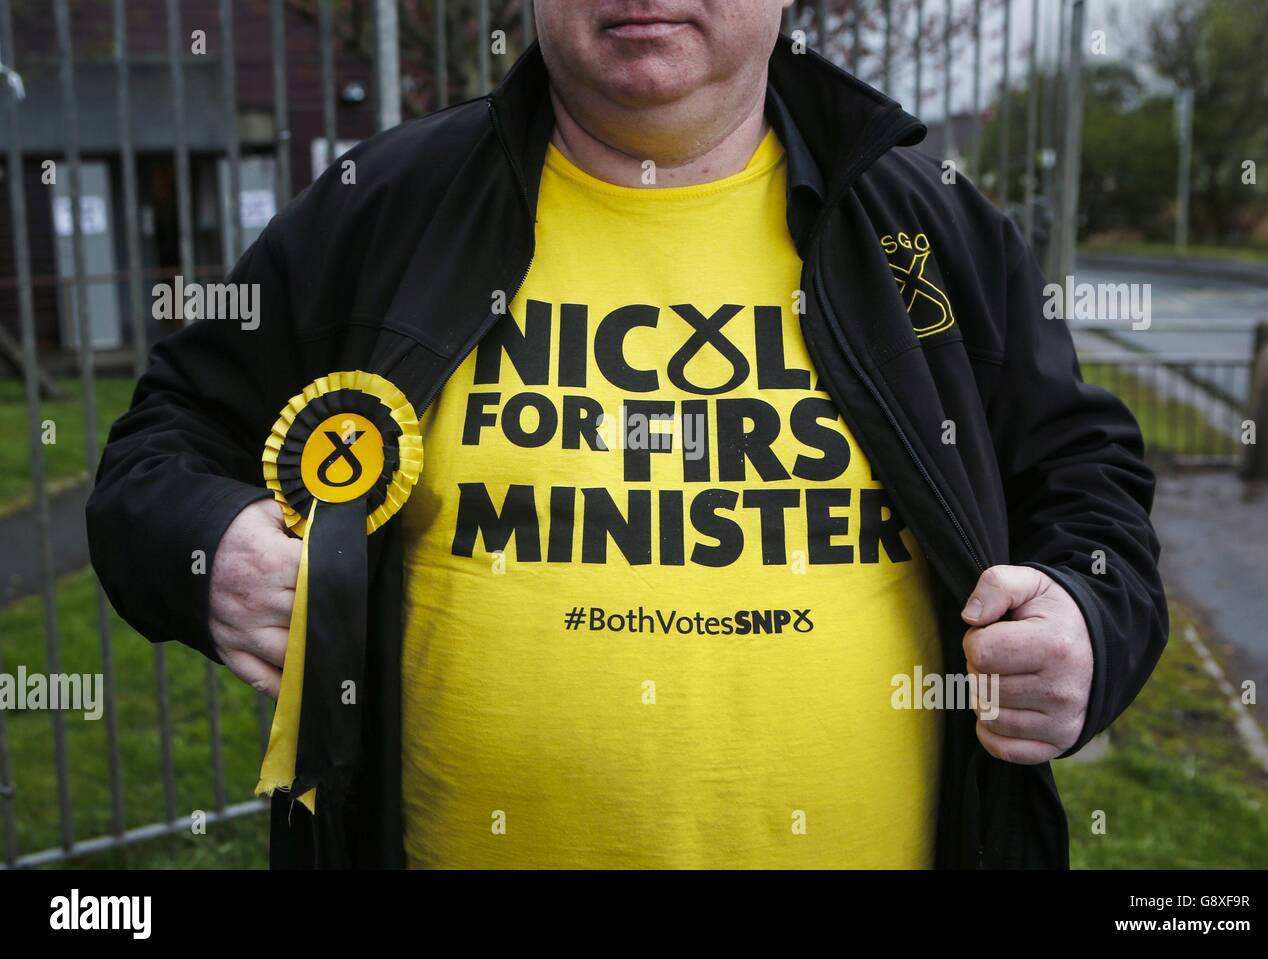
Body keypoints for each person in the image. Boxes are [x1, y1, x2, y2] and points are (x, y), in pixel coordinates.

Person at [87, 0, 1167, 869]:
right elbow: (162, 443)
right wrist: (207, 545)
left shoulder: (927, 226)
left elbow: (1085, 475)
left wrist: (1085, 615)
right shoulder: (384, 208)